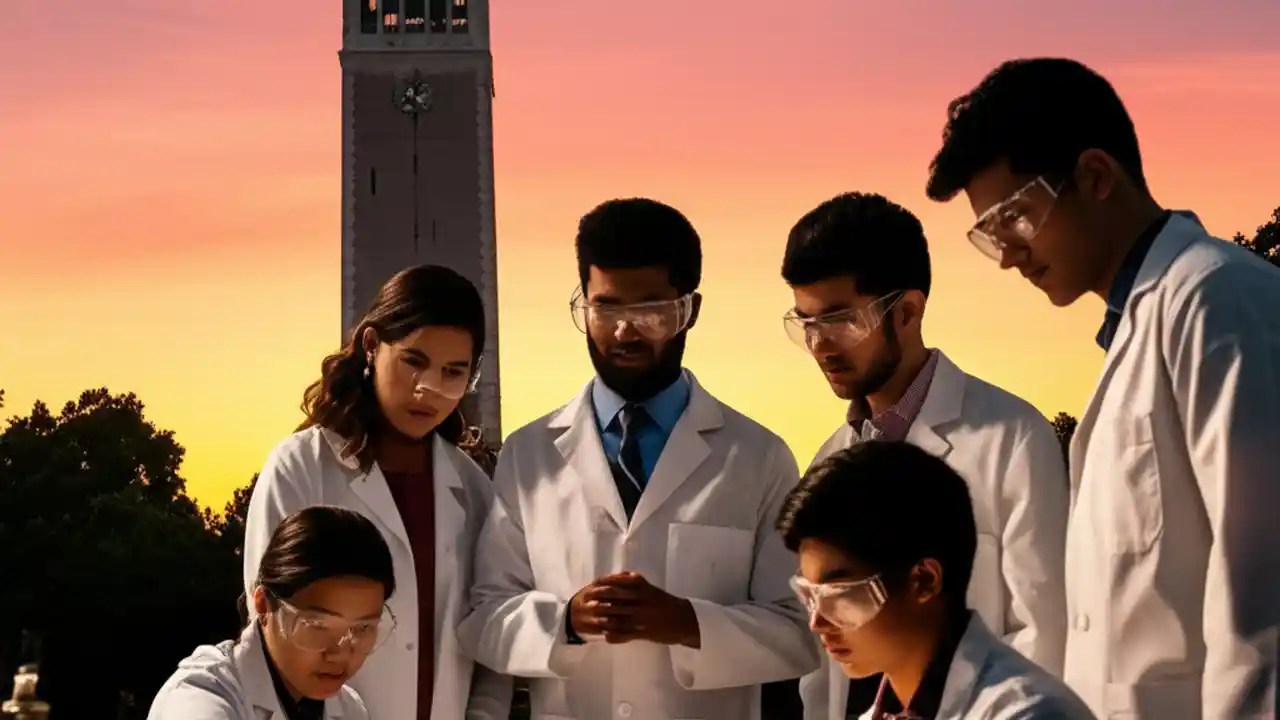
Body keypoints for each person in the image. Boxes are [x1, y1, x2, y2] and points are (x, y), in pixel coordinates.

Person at [924, 57, 1280, 719]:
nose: (1006, 254)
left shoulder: (1218, 301)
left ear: (1094, 175)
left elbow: (1265, 605)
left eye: (1014, 218)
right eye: (989, 234)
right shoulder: (1138, 328)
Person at [457, 197, 820, 719]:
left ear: (688, 310)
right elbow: (484, 619)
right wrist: (566, 624)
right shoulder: (528, 455)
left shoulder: (758, 458)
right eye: (605, 308)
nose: (624, 331)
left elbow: (798, 632)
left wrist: (686, 623)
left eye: (649, 310)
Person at [780, 191, 1070, 718]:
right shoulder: (828, 461)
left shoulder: (1013, 438)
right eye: (807, 324)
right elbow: (823, 675)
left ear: (907, 311)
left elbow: (1045, 635)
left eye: (840, 319)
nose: (821, 344)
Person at [242, 265, 512, 720]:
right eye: (414, 361)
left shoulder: (473, 488)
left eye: (453, 372)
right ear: (371, 345)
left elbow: (491, 629)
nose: (429, 389)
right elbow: (270, 634)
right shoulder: (301, 469)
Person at [778, 441, 1095, 720]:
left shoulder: (1032, 714)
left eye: (839, 595)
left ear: (924, 581)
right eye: (809, 595)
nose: (817, 622)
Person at [149, 506, 396, 719]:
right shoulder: (198, 700)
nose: (340, 654)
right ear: (263, 605)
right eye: (318, 625)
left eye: (363, 628)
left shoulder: (349, 709)